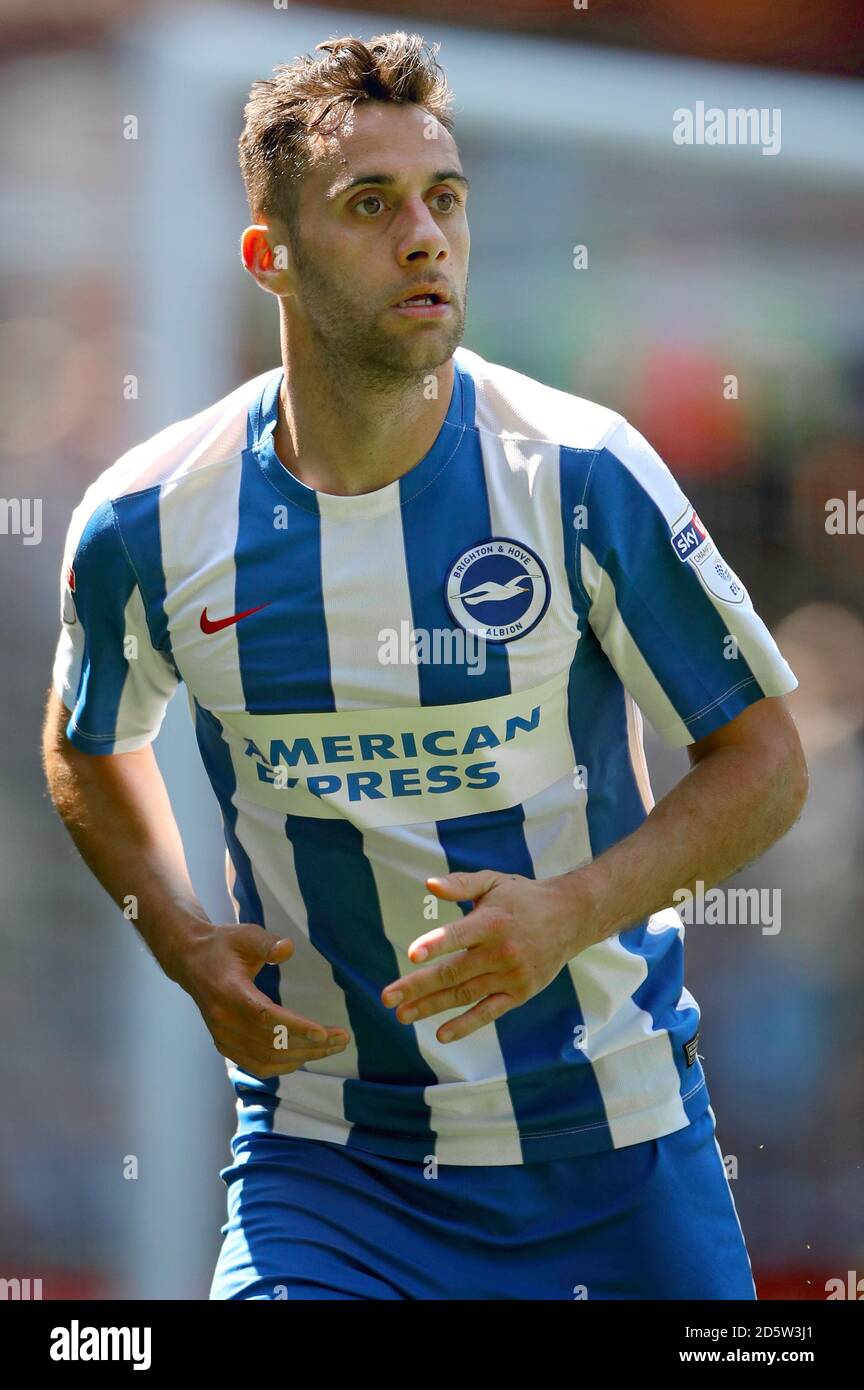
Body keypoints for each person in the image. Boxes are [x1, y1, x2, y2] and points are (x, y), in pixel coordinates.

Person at [42, 32, 808, 1300]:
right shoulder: (148, 521)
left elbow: (766, 762)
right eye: (370, 205)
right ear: (269, 259)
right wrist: (181, 937)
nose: (424, 239)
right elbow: (86, 742)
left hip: (618, 1156)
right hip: (330, 1169)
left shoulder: (581, 474)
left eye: (444, 199)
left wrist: (572, 911)